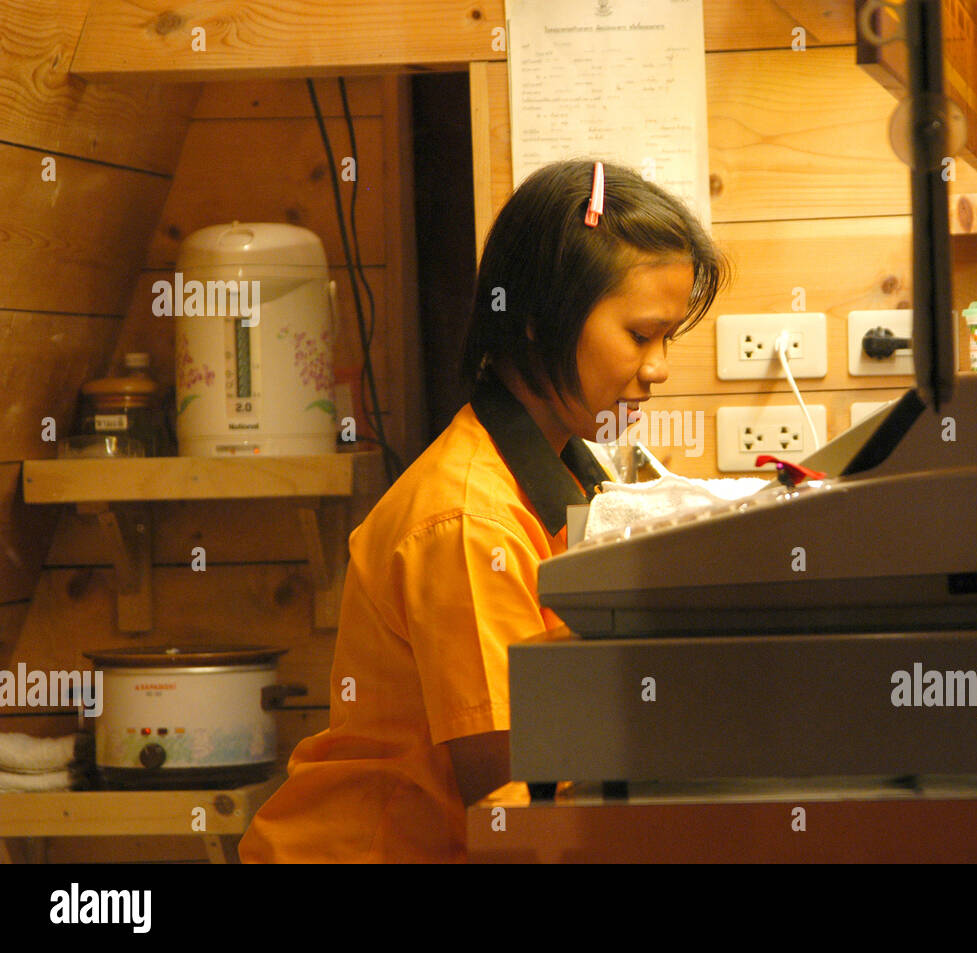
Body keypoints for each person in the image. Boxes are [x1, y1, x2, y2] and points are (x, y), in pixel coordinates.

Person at [238, 159, 728, 862]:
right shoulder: (470, 521)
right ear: (536, 322)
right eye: (641, 335)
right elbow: (512, 808)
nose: (659, 367)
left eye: (668, 338)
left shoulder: (564, 481)